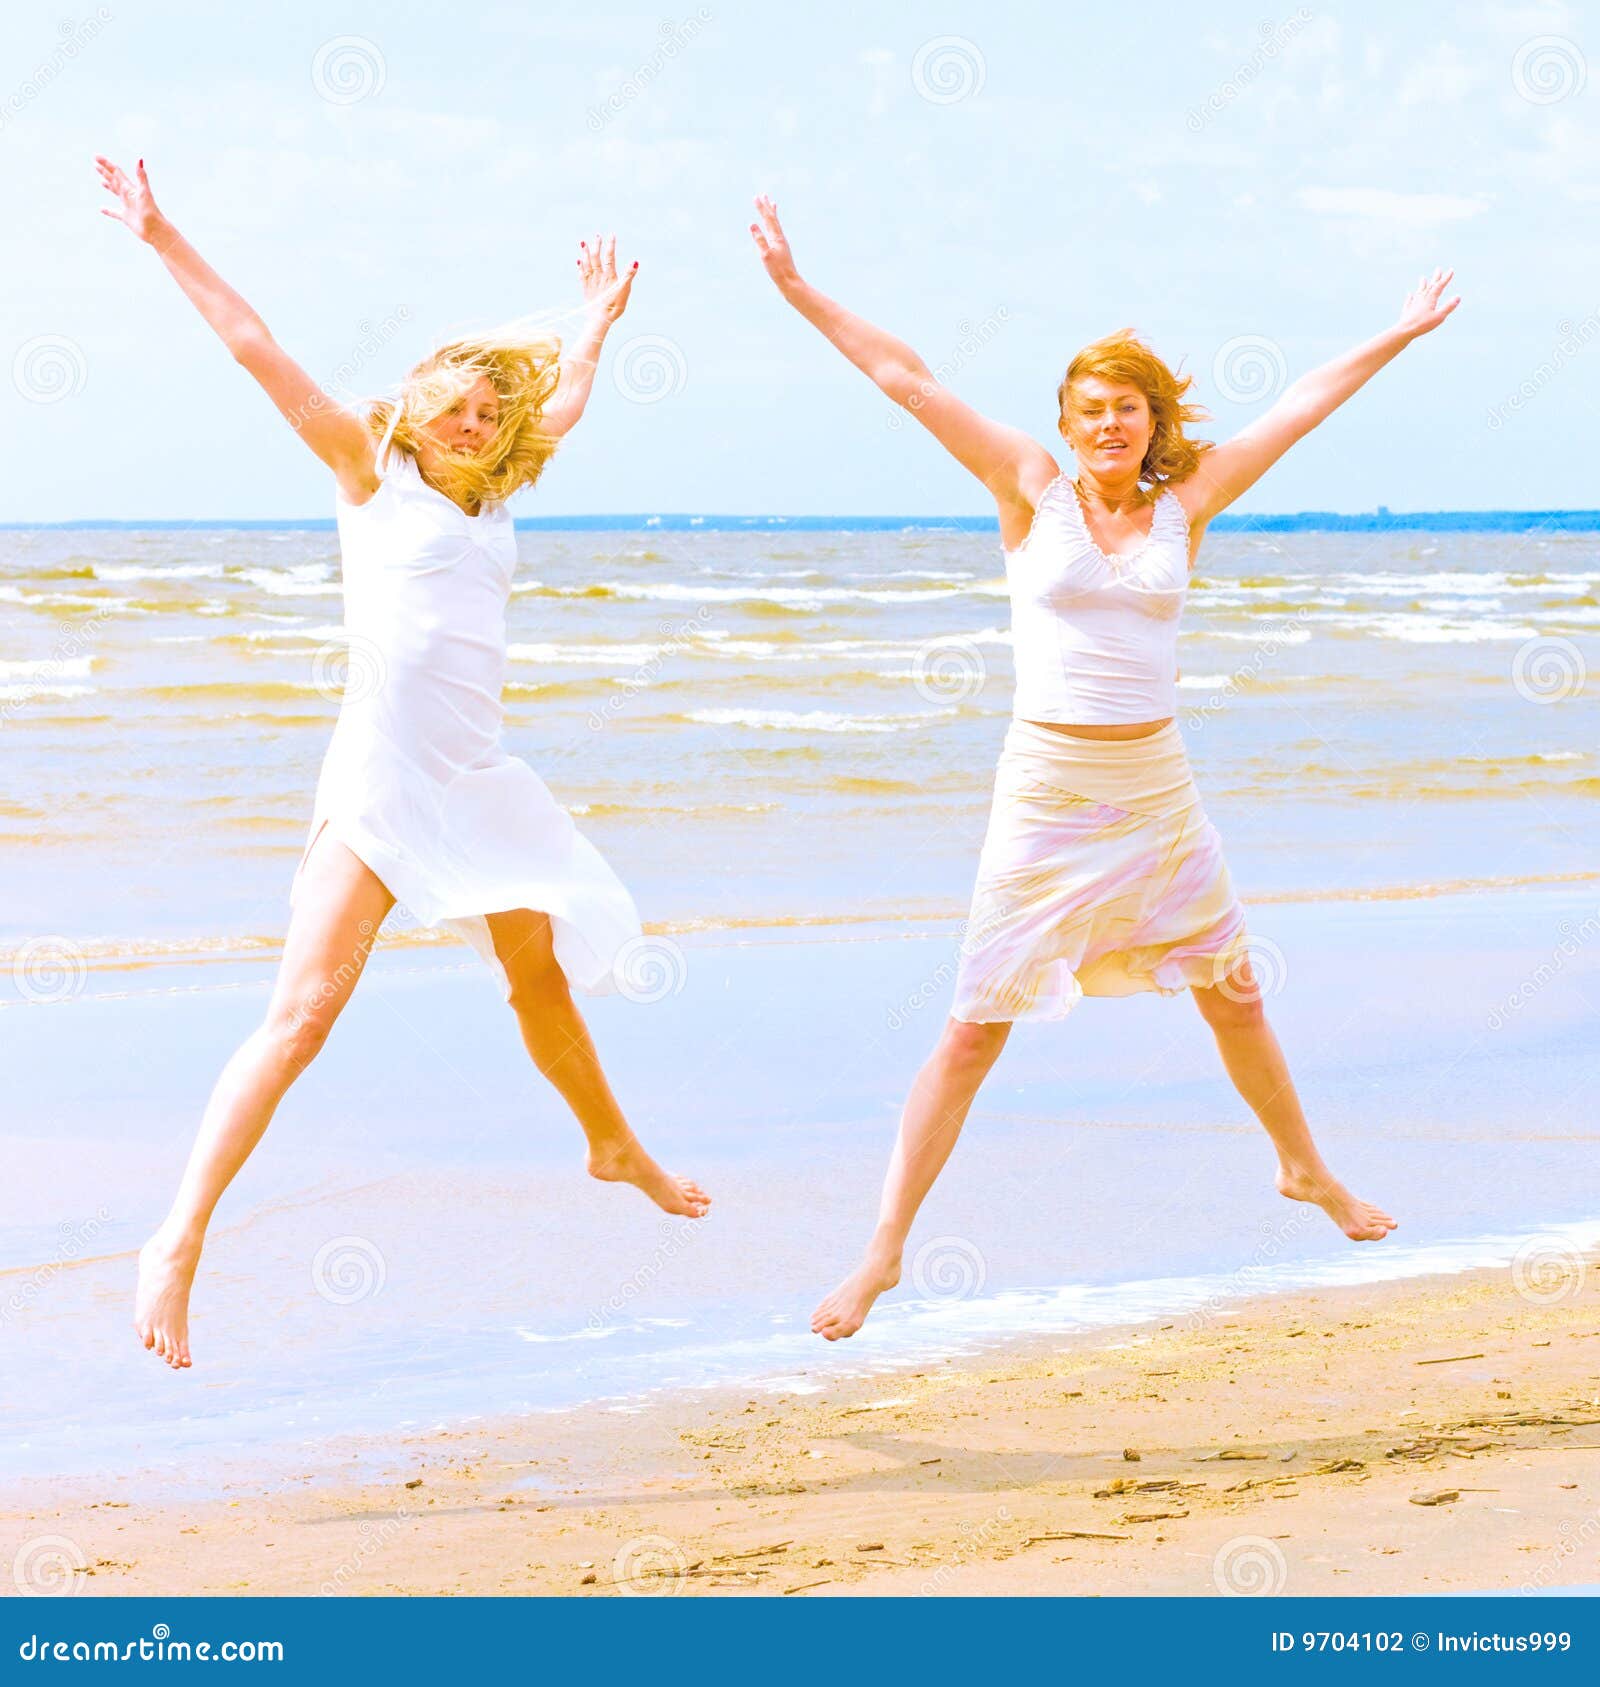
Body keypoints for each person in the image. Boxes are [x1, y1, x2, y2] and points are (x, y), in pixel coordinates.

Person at [749, 194, 1459, 1341]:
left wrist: (1396, 333)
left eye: (1124, 408)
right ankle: (881, 1251)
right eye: (1088, 410)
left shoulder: (1190, 500)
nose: (1106, 426)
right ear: (1066, 421)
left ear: (1151, 416)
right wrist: (796, 290)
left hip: (1158, 791)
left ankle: (1303, 1170)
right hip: (1046, 792)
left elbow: (1299, 408)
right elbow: (908, 379)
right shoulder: (1030, 488)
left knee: (1235, 992)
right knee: (976, 1025)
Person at [95, 155, 710, 1371]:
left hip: (475, 782)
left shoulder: (499, 495)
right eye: (454, 403)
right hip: (380, 784)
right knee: (303, 1016)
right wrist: (164, 235)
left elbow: (570, 400)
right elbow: (255, 347)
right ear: (413, 403)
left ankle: (610, 1143)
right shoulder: (368, 476)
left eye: (490, 410)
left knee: (539, 978)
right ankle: (179, 1235)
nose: (472, 421)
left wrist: (594, 321)